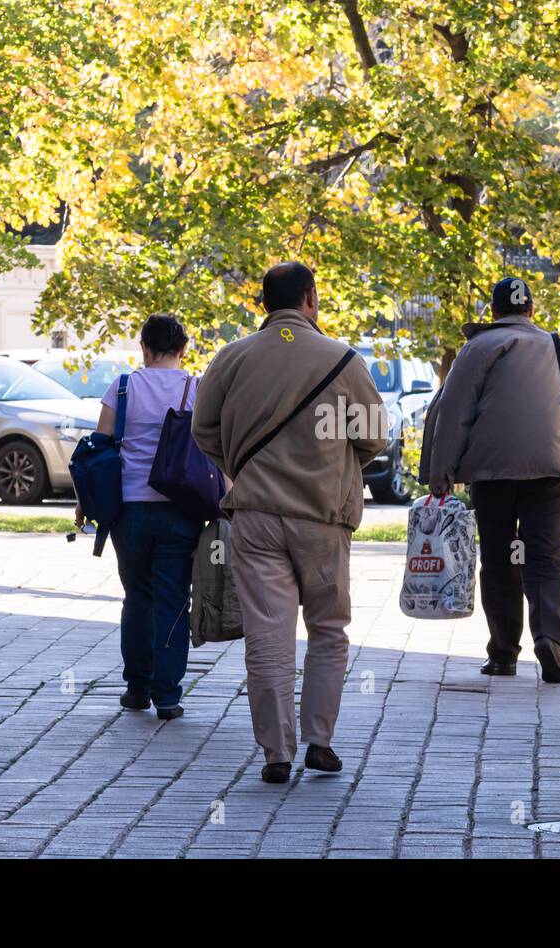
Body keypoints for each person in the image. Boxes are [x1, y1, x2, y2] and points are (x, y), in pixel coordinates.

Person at [192, 261, 387, 784]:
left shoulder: (230, 359)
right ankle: (320, 739)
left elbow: (203, 430)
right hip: (323, 517)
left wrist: (238, 465)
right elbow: (374, 437)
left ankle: (276, 751)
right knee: (328, 628)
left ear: (263, 304)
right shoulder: (342, 359)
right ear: (311, 298)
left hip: (254, 517)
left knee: (267, 635)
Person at [418, 276, 560, 683]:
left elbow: (454, 413)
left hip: (492, 472)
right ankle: (549, 639)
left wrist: (440, 474)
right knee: (544, 557)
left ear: (493, 311)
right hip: (549, 469)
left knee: (500, 559)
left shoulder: (478, 348)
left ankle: (504, 651)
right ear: (531, 311)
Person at [77, 315, 203, 720]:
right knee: (173, 601)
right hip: (181, 508)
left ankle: (137, 688)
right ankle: (168, 696)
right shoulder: (195, 388)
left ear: (144, 348)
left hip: (128, 508)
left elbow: (100, 446)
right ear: (183, 349)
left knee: (137, 597)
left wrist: (85, 501)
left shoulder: (123, 386)